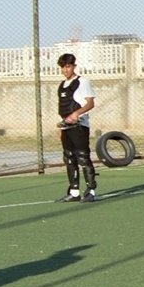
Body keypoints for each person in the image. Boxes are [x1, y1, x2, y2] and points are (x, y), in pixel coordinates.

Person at [55, 53, 99, 202]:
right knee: (68, 157)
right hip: (66, 127)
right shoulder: (62, 85)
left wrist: (77, 114)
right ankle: (74, 192)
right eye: (63, 67)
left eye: (68, 66)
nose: (65, 70)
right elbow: (64, 109)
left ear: (74, 66)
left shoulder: (83, 82)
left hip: (80, 125)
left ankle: (90, 190)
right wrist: (60, 127)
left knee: (83, 157)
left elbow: (90, 103)